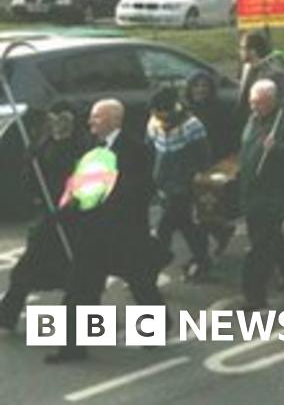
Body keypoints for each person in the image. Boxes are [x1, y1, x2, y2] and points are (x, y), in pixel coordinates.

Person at [48, 99, 166, 364]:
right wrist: (68, 207)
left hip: (124, 233)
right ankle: (72, 347)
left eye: (97, 117)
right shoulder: (89, 146)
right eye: (92, 117)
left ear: (115, 120)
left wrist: (106, 195)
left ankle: (156, 327)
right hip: (92, 233)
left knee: (140, 283)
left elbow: (142, 189)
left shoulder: (136, 150)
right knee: (80, 289)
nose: (91, 122)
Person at [0, 103, 86, 330]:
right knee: (25, 269)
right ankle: (7, 314)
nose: (59, 125)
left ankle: (82, 320)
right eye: (54, 120)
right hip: (47, 217)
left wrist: (71, 205)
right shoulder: (43, 145)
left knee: (78, 275)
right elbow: (31, 180)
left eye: (64, 120)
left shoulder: (82, 148)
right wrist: (30, 162)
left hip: (72, 220)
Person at [238, 80, 284, 310]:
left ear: (273, 101)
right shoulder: (253, 120)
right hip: (252, 190)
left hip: (274, 193)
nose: (254, 108)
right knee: (267, 237)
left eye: (259, 103)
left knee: (260, 247)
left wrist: (277, 149)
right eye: (252, 103)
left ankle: (254, 294)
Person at [146, 87, 213, 280]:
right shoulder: (154, 123)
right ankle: (202, 259)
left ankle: (154, 266)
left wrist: (196, 179)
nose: (158, 117)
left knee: (164, 227)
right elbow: (150, 150)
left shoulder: (191, 125)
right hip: (163, 184)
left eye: (161, 112)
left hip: (184, 185)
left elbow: (203, 156)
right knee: (186, 225)